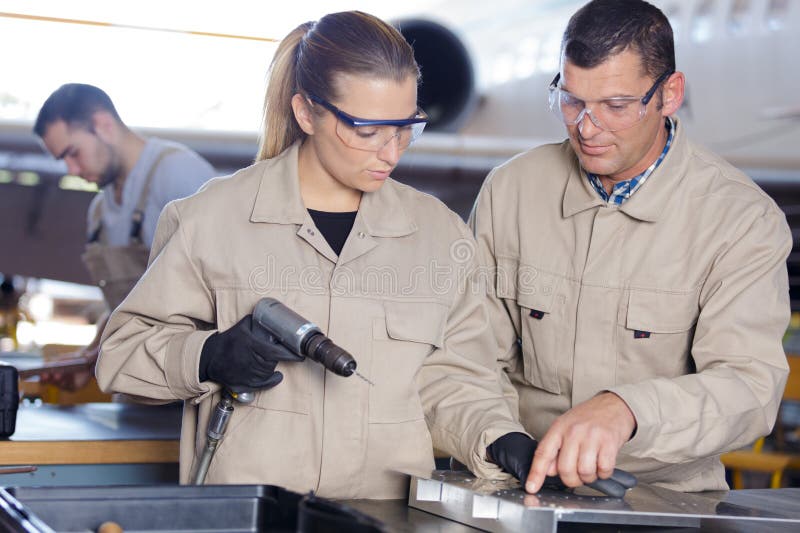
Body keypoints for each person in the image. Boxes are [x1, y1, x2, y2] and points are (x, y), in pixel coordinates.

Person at [95, 11, 536, 499]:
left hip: (382, 517)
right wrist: (207, 356)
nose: (391, 152)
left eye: (406, 127)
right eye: (367, 131)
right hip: (250, 515)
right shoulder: (208, 220)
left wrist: (501, 438)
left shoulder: (440, 237)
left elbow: (455, 382)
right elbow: (120, 355)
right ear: (307, 113)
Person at [469, 0, 792, 493]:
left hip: (667, 503)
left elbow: (749, 388)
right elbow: (464, 354)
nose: (587, 127)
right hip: (518, 487)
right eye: (572, 100)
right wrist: (498, 437)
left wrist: (628, 410)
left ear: (670, 94)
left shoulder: (741, 220)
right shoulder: (508, 191)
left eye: (616, 106)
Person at [32, 83, 216, 391]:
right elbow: (126, 306)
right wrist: (89, 359)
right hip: (138, 391)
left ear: (103, 125)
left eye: (73, 153)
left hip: (190, 389)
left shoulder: (178, 173)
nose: (71, 169)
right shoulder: (99, 212)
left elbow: (225, 288)